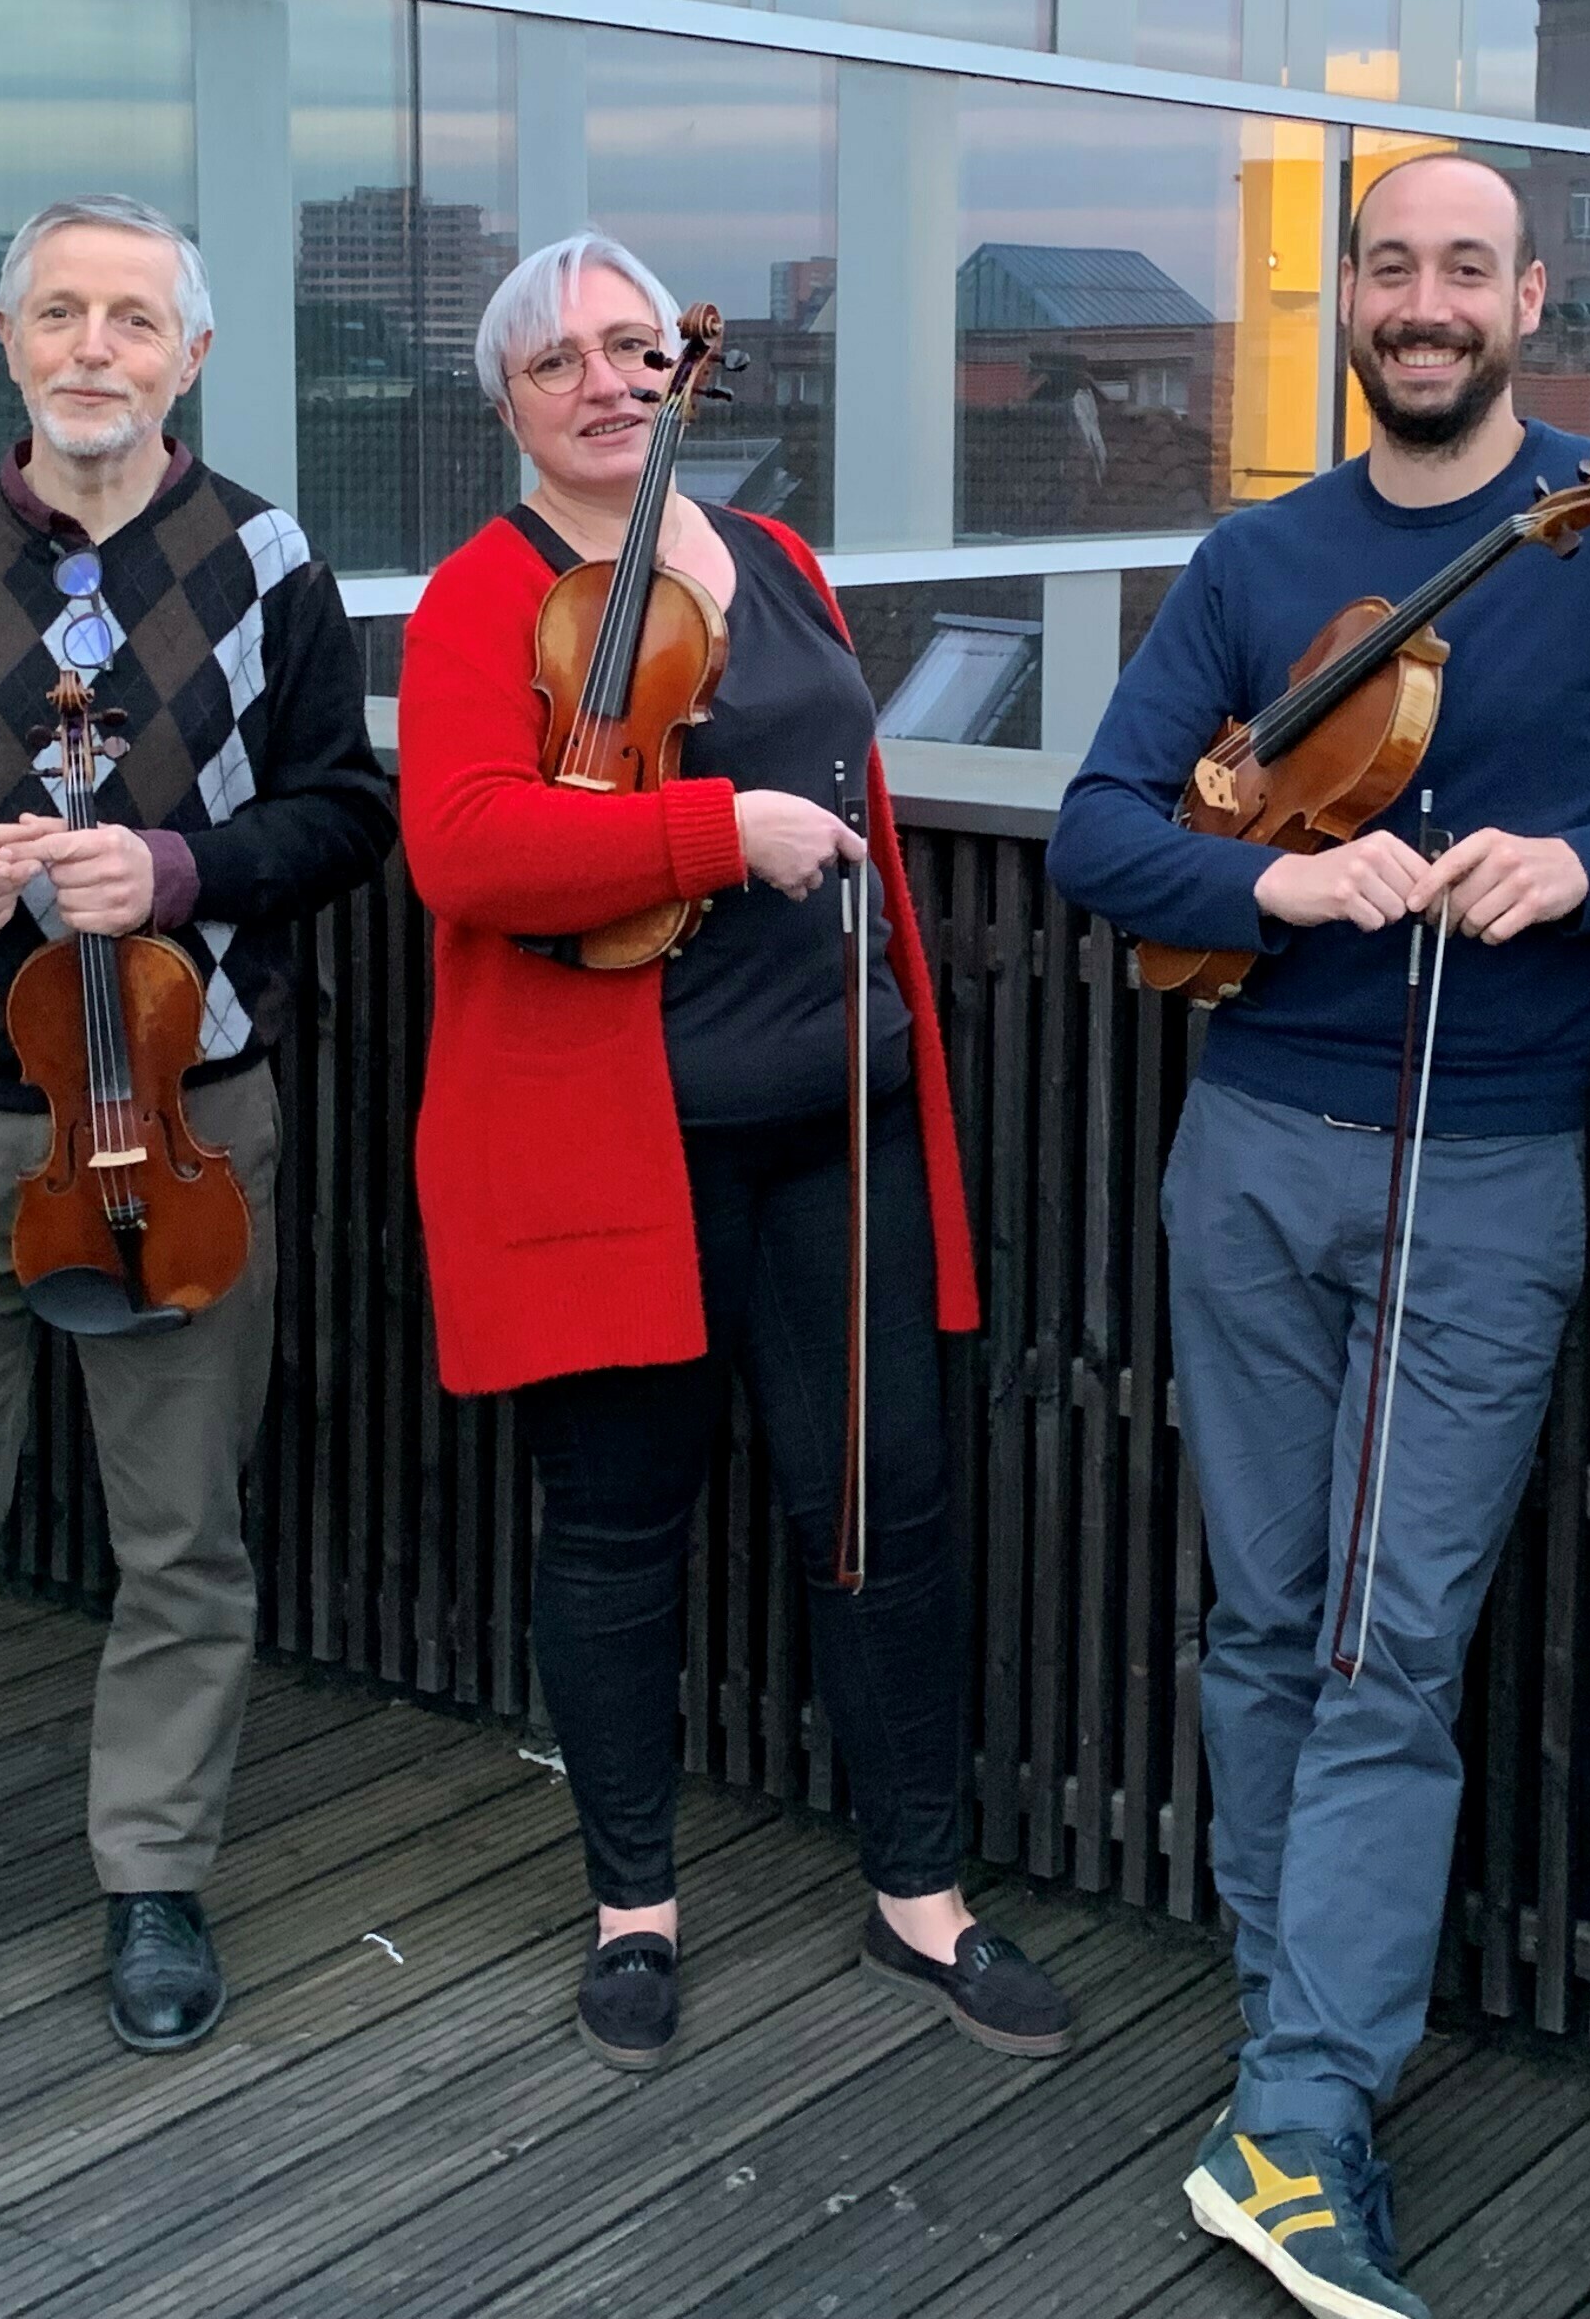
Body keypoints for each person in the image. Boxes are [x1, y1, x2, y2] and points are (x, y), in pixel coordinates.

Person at [1052, 151, 1590, 2319]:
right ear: (1352, 305)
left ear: (1528, 299)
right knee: (1264, 1619)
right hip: (1251, 1148)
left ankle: (1295, 2116)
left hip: (1481, 1170)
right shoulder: (1259, 557)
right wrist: (1276, 885)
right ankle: (1303, 2066)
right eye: (1393, 268)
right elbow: (1105, 825)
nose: (1428, 300)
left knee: (1391, 1646)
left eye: (1467, 267)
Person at [393, 232, 1077, 2077]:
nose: (611, 381)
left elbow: (851, 794)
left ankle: (919, 1896)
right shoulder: (483, 594)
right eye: (562, 364)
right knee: (619, 1527)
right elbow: (465, 847)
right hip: (618, 1142)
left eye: (635, 347)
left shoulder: (775, 563)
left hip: (831, 1122)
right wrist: (711, 833)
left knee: (885, 1509)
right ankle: (633, 1909)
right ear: (512, 408)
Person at [0, 193, 392, 2062]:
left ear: (187, 355)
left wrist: (182, 863)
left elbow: (346, 813)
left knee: (180, 1526)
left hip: (185, 1119)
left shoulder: (268, 557)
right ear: (11, 344)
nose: (93, 348)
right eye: (59, 314)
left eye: (133, 318)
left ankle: (152, 1873)